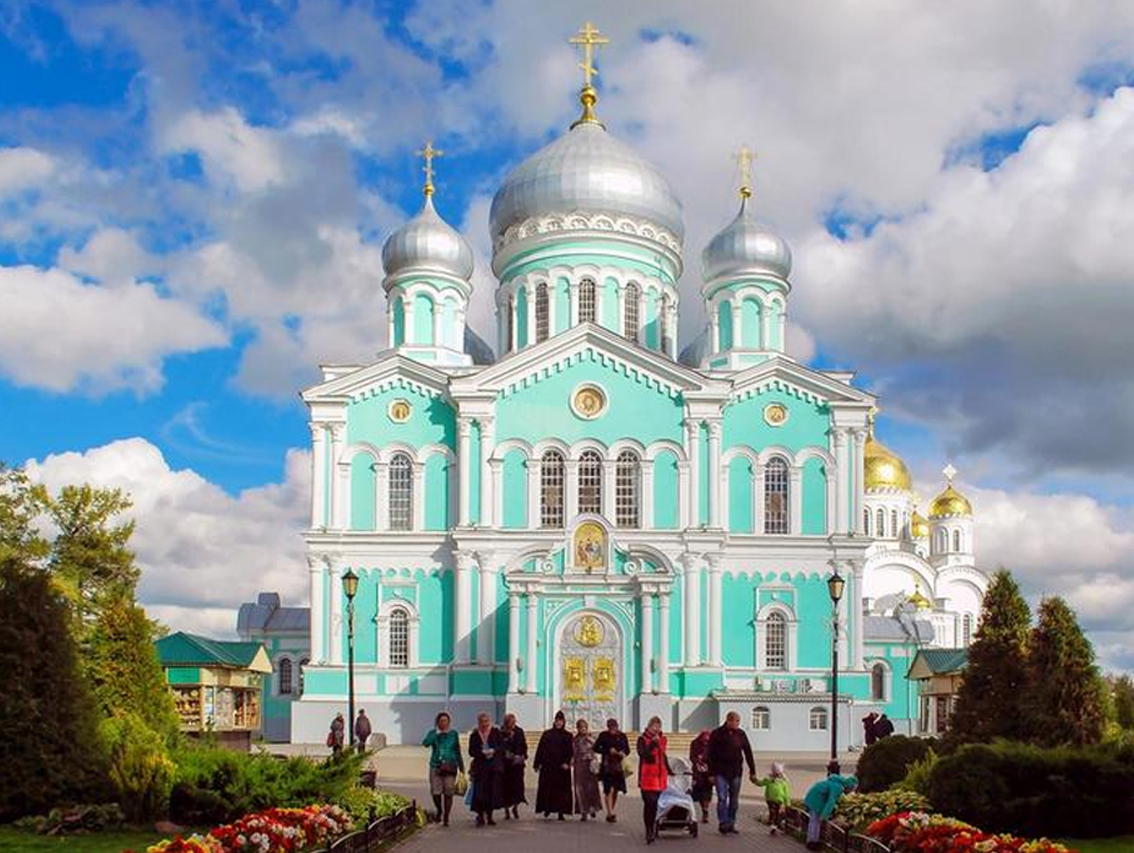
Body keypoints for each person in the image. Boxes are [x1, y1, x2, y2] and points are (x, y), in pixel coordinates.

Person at [707, 711, 757, 835]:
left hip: (736, 772)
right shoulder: (717, 734)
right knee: (722, 798)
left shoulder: (741, 734)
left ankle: (731, 822)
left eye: (738, 721)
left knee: (734, 799)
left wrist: (752, 770)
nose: (737, 724)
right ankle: (723, 823)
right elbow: (710, 754)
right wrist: (711, 773)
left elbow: (748, 752)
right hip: (720, 772)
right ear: (729, 720)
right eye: (736, 721)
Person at [422, 711, 464, 826]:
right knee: (436, 792)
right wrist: (436, 733)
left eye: (445, 721)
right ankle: (439, 810)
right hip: (436, 766)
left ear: (449, 722)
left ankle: (446, 816)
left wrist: (462, 767)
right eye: (441, 721)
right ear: (437, 722)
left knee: (448, 792)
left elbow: (457, 750)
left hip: (450, 766)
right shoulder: (433, 733)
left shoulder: (453, 734)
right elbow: (425, 743)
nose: (443, 723)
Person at [636, 715, 672, 845]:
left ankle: (652, 825)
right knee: (649, 803)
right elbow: (643, 754)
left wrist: (670, 769)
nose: (656, 729)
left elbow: (663, 755)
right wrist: (652, 744)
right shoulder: (642, 739)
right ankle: (649, 829)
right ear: (649, 726)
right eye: (654, 726)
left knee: (655, 804)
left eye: (659, 726)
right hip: (647, 777)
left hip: (659, 777)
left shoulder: (663, 739)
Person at [533, 710, 574, 819]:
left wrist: (567, 763)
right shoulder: (547, 734)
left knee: (561, 790)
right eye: (557, 720)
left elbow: (570, 752)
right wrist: (537, 764)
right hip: (548, 767)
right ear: (554, 721)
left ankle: (561, 812)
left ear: (564, 722)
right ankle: (547, 809)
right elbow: (540, 749)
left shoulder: (568, 736)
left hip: (561, 768)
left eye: (561, 721)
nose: (559, 723)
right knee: (548, 789)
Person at [802, 772, 858, 850]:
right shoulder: (838, 787)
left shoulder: (836, 783)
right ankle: (812, 843)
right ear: (849, 787)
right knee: (815, 822)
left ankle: (811, 841)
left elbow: (831, 800)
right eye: (851, 790)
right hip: (816, 800)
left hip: (813, 798)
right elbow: (830, 802)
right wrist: (824, 816)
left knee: (813, 822)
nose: (849, 793)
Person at [468, 712, 505, 827]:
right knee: (479, 793)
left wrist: (493, 750)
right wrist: (481, 753)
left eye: (486, 721)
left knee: (491, 792)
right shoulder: (474, 735)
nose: (484, 724)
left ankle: (489, 816)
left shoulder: (495, 732)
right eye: (482, 722)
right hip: (480, 768)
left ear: (489, 722)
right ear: (478, 723)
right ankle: (480, 816)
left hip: (493, 767)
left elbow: (502, 747)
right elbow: (471, 751)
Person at [593, 717, 630, 823]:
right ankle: (610, 812)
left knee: (616, 790)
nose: (612, 729)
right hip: (607, 766)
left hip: (618, 766)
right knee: (608, 789)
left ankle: (611, 810)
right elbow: (596, 748)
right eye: (610, 727)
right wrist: (608, 750)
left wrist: (623, 752)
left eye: (614, 727)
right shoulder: (603, 735)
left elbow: (627, 749)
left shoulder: (622, 736)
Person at [498, 713, 528, 820]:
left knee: (518, 787)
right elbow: (499, 747)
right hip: (506, 766)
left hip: (518, 766)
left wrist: (523, 755)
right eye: (511, 723)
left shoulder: (519, 731)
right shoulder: (501, 732)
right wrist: (506, 754)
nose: (513, 725)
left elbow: (524, 745)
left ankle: (515, 807)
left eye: (514, 722)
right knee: (506, 788)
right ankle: (506, 809)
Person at [572, 719, 603, 821]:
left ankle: (592, 808)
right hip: (579, 766)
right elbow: (572, 752)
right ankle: (583, 812)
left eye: (584, 727)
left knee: (592, 789)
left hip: (589, 766)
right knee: (580, 789)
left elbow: (598, 748)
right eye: (580, 727)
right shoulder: (575, 740)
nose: (583, 729)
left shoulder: (591, 738)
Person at [753, 762, 791, 835]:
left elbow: (786, 793)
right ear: (773, 772)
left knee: (778, 814)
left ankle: (776, 826)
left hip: (780, 801)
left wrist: (787, 803)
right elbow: (761, 783)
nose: (777, 775)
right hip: (770, 800)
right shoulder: (768, 779)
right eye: (776, 773)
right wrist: (754, 781)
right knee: (773, 813)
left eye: (779, 773)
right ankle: (774, 826)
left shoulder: (783, 781)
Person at [688, 730, 713, 824]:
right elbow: (691, 756)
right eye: (704, 740)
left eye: (707, 741)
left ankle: (705, 811)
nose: (705, 742)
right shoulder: (694, 743)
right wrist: (698, 761)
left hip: (708, 772)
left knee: (707, 792)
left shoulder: (712, 744)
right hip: (697, 772)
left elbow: (714, 757)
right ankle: (693, 812)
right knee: (697, 792)